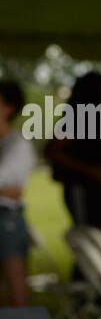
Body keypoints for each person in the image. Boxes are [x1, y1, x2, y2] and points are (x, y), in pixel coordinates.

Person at [42, 70, 101, 235]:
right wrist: (88, 170)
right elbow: (52, 151)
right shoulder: (78, 121)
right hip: (82, 190)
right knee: (88, 238)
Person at [0, 80, 35, 306]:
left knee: (15, 291)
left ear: (8, 107)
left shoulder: (18, 144)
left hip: (7, 221)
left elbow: (9, 184)